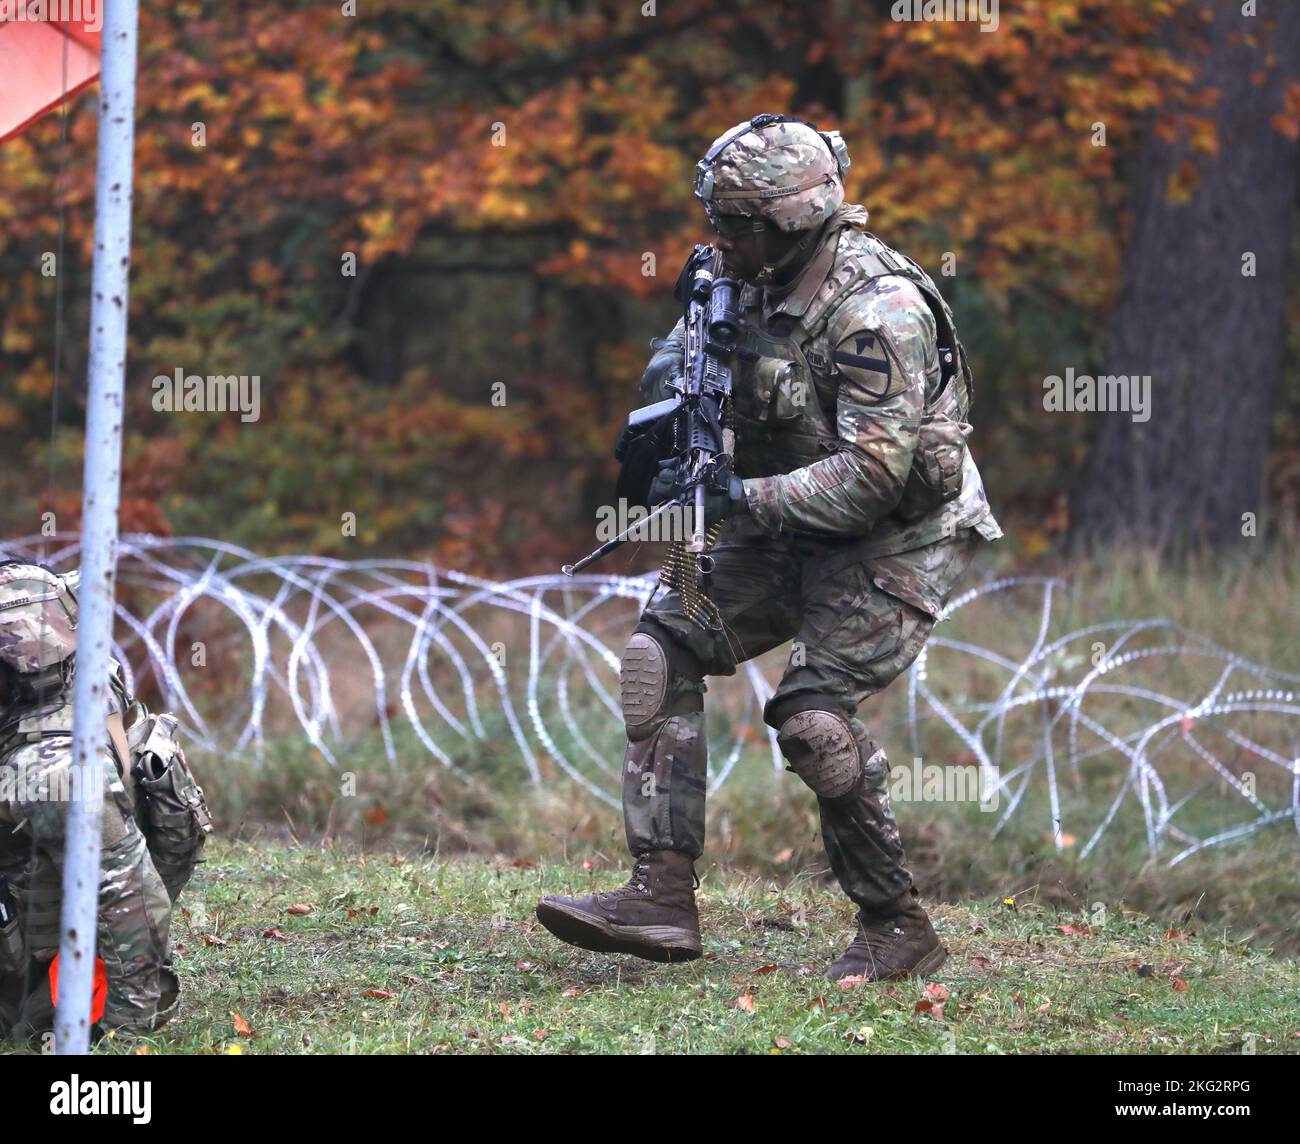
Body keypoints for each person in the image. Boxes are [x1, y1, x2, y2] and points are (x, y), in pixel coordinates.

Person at [536, 114, 1001, 981]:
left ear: (791, 221)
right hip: (778, 517)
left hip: (895, 533)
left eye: (735, 223)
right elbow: (678, 373)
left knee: (812, 720)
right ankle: (660, 896)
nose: (718, 239)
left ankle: (898, 927)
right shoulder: (732, 278)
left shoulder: (875, 309)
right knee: (658, 651)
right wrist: (676, 419)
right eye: (716, 219)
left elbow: (873, 478)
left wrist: (737, 494)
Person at [0, 559, 211, 1041]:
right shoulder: (84, 666)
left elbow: (129, 894)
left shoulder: (52, 770)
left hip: (50, 956)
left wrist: (125, 1032)